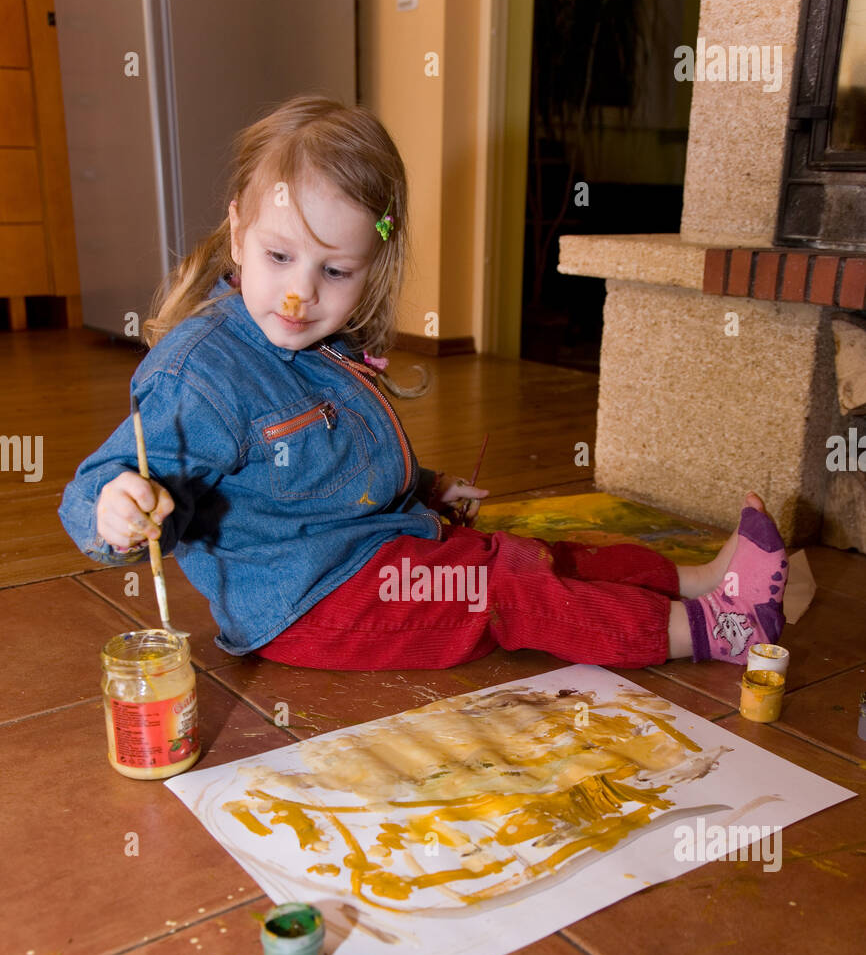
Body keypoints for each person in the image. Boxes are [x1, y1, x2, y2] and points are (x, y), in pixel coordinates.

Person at [59, 96, 787, 672]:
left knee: (533, 553)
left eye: (334, 271)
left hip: (372, 552)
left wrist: (428, 488)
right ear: (238, 228)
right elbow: (98, 487)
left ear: (371, 269)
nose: (297, 294)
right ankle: (714, 629)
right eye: (279, 255)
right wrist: (114, 508)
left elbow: (332, 469)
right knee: (505, 587)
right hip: (313, 606)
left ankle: (698, 577)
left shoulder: (322, 341)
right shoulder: (202, 375)